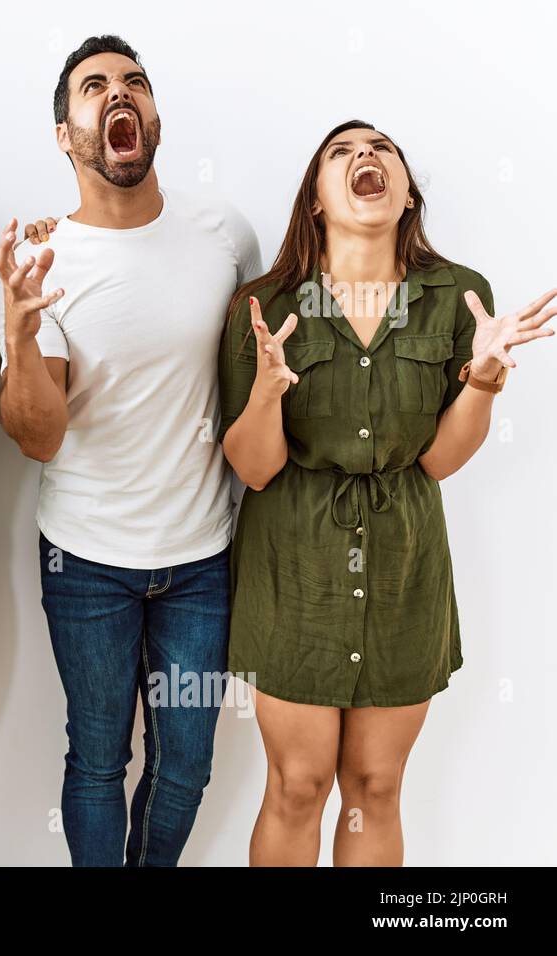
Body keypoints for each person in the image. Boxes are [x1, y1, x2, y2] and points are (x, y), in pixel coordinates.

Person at [218, 119, 555, 866]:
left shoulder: (459, 296)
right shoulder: (264, 302)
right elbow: (253, 467)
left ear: (406, 194)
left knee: (375, 787)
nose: (365, 157)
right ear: (316, 200)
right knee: (298, 785)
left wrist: (487, 378)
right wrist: (269, 391)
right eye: (342, 152)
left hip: (405, 565)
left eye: (382, 150)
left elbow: (438, 459)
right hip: (293, 566)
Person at [0, 35, 262, 866]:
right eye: (94, 87)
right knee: (99, 759)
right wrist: (21, 334)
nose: (120, 95)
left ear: (151, 117)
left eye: (135, 84)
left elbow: (258, 358)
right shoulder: (49, 261)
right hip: (89, 559)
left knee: (185, 767)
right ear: (67, 135)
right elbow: (39, 435)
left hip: (203, 555)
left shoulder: (223, 232)